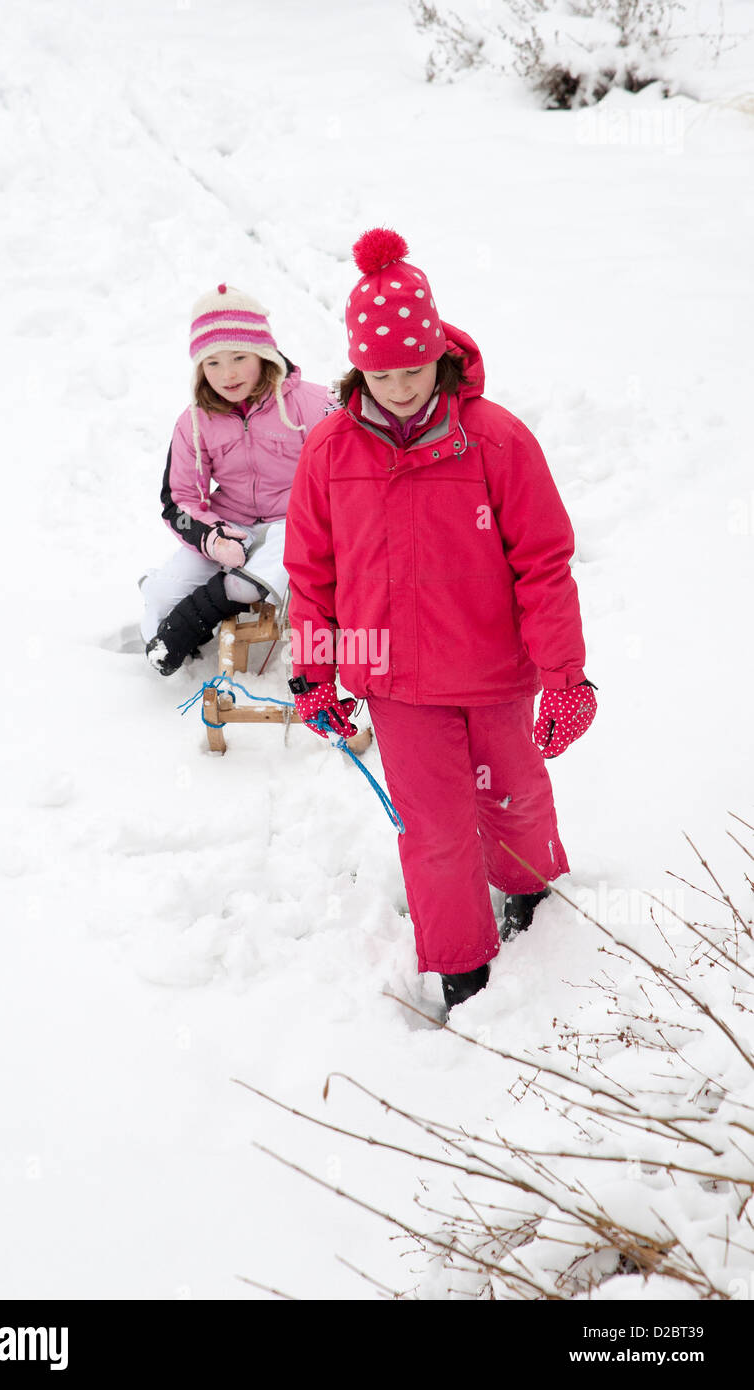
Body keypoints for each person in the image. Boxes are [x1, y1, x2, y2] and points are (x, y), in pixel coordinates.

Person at [283, 228, 597, 1016]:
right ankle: (461, 969)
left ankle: (533, 899)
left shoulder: (496, 440)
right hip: (396, 684)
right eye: (380, 372)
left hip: (494, 673)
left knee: (514, 795)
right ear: (358, 367)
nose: (398, 387)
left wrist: (564, 679)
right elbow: (310, 574)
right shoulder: (327, 452)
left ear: (440, 355)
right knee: (434, 830)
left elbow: (544, 565)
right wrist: (314, 672)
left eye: (413, 368)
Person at [141, 284, 330, 674]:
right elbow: (179, 498)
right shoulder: (193, 422)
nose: (226, 374)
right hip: (233, 524)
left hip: (294, 521)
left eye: (239, 357)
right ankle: (164, 653)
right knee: (162, 597)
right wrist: (212, 536)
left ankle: (203, 611)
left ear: (264, 354)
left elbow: (343, 477)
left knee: (254, 579)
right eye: (212, 363)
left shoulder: (313, 406)